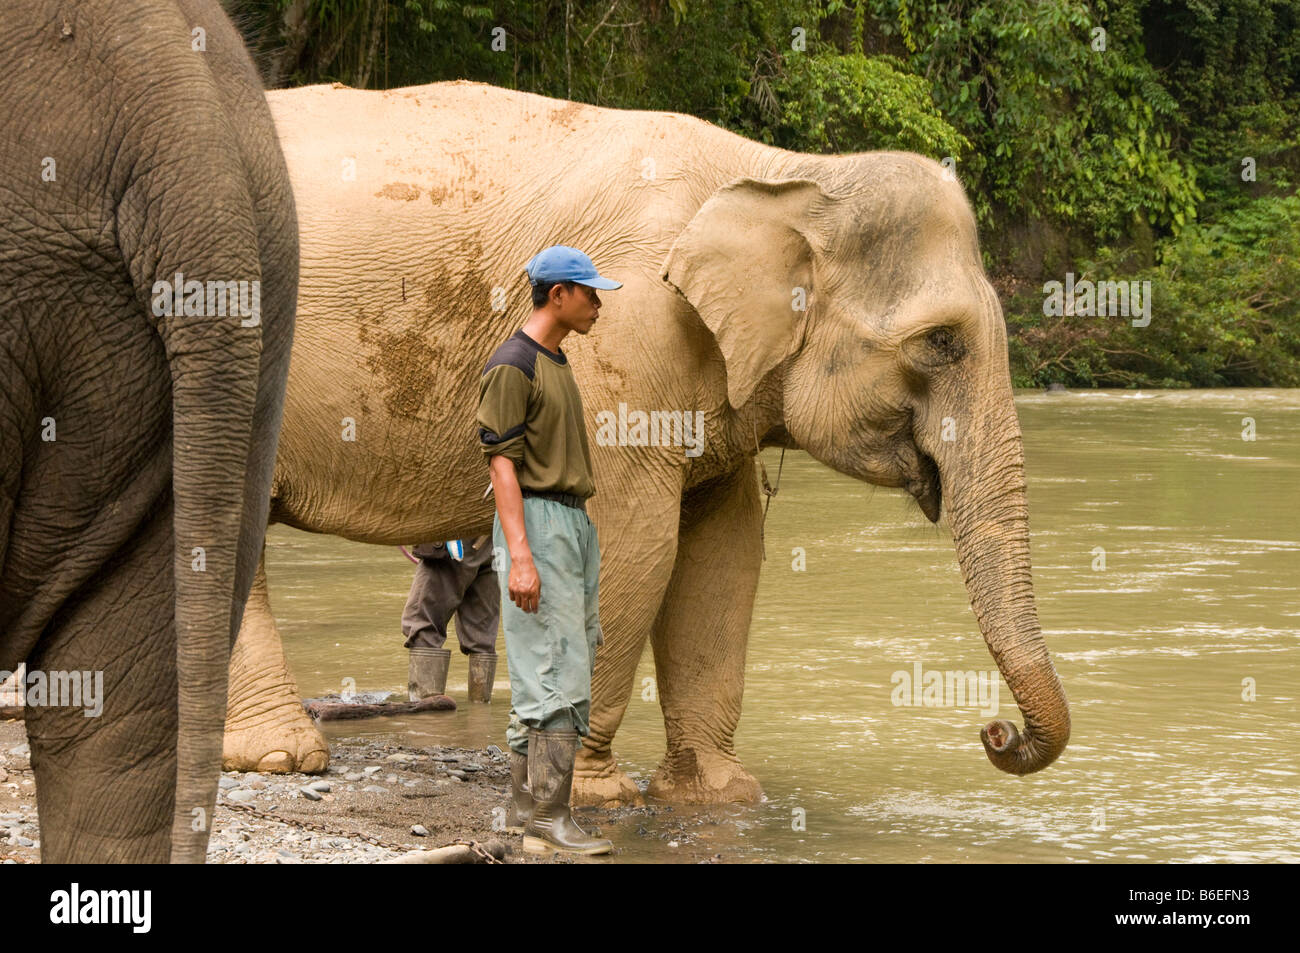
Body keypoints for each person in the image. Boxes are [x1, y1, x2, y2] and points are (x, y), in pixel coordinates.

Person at [476, 245, 620, 855]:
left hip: (569, 524)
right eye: (589, 292)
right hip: (538, 524)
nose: (597, 303)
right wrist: (523, 554)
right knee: (559, 672)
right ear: (556, 294)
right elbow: (500, 462)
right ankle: (550, 818)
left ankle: (519, 807)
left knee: (555, 660)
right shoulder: (515, 363)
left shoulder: (555, 361)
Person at [401, 537, 499, 703]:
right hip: (492, 534)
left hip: (454, 534)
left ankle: (424, 716)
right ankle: (480, 716)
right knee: (481, 636)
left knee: (423, 626)